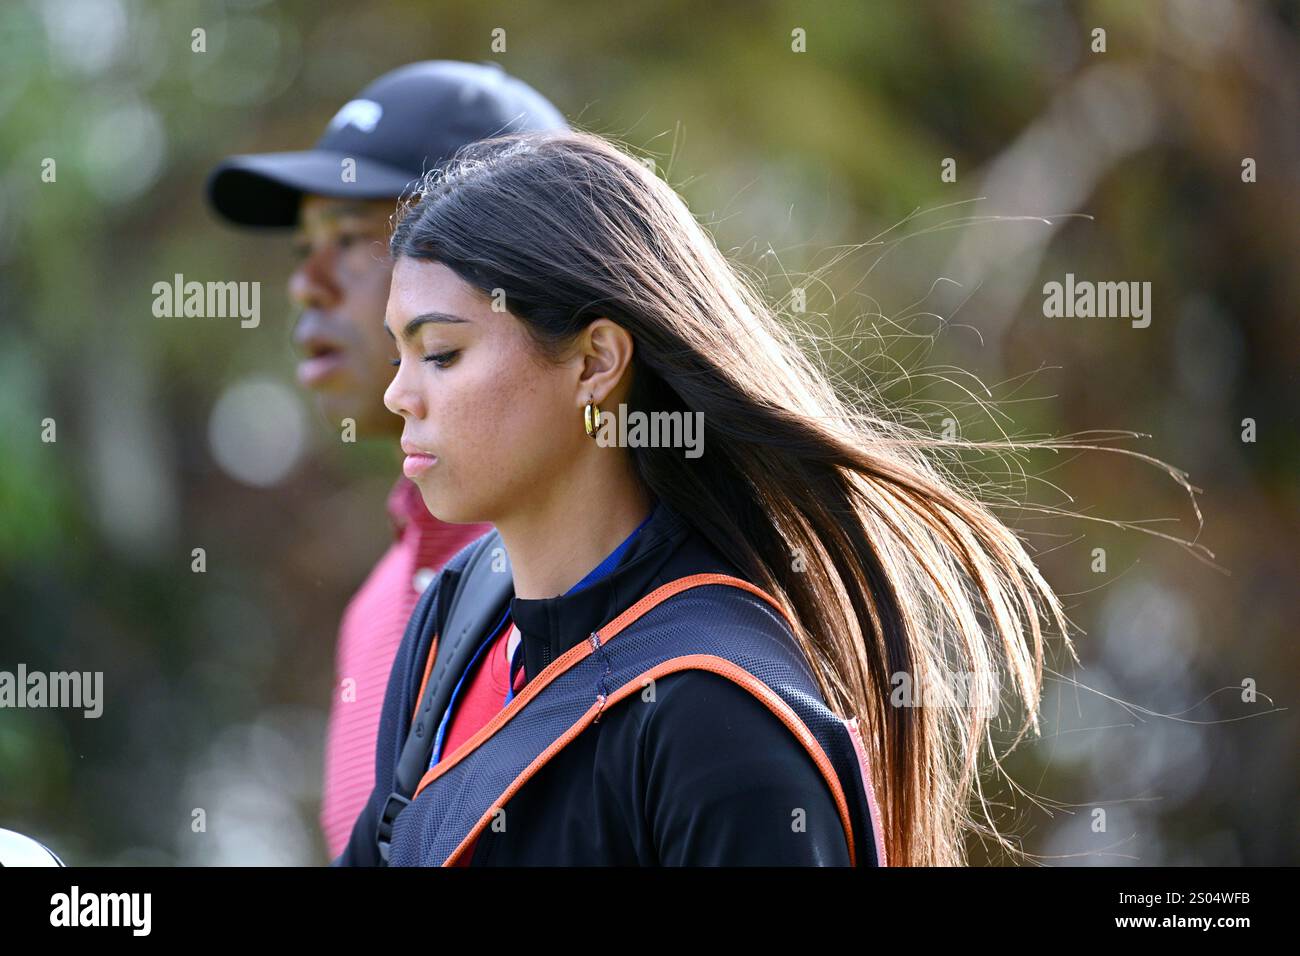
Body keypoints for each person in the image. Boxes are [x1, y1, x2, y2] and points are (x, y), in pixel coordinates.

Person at [336, 129, 1073, 867]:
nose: (399, 394)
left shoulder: (715, 717)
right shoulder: (455, 617)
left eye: (440, 354)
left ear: (595, 362)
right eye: (399, 353)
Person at [204, 61, 569, 858]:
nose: (306, 284)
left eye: (353, 240)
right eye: (305, 247)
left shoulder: (602, 587)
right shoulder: (376, 605)